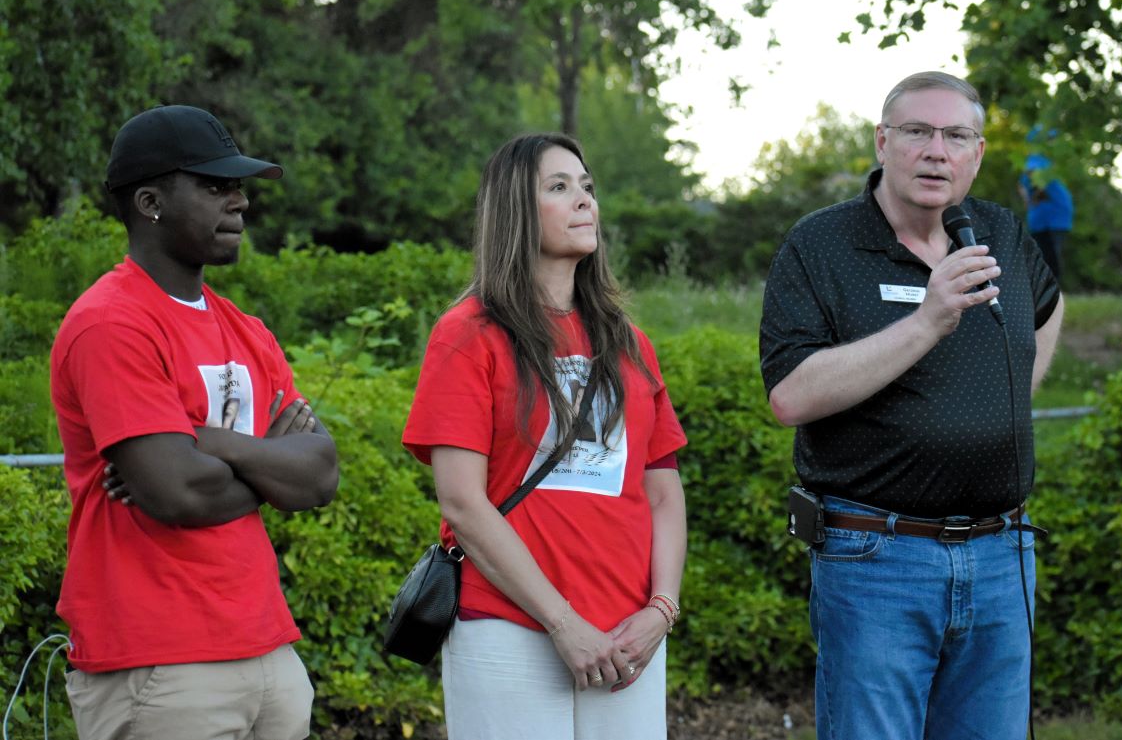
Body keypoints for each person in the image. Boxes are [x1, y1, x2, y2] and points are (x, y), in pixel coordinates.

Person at [759, 72, 1064, 740]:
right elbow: (789, 394)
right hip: (876, 558)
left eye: (956, 136)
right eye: (918, 132)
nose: (937, 151)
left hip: (1000, 552)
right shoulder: (821, 247)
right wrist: (929, 319)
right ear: (883, 141)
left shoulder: (1000, 234)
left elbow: (1049, 303)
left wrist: (1016, 391)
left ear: (977, 153)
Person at [50, 105, 340, 740]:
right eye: (214, 186)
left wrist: (207, 442)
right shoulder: (111, 324)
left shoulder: (246, 330)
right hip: (159, 664)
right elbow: (178, 492)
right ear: (150, 201)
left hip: (268, 650)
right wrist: (266, 460)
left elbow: (319, 477)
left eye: (237, 186)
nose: (238, 202)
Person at [401, 133, 687, 740]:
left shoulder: (630, 345)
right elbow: (462, 501)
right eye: (559, 188)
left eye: (587, 186)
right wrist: (562, 623)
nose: (584, 200)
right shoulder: (468, 334)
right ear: (515, 211)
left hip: (627, 634)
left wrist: (661, 609)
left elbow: (661, 491)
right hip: (509, 625)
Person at [1018, 152, 1074, 283]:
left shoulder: (1045, 167)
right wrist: (1029, 199)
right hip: (1042, 219)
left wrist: (1031, 198)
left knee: (1050, 256)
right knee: (1042, 255)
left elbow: (1032, 183)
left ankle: (1052, 290)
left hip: (1054, 219)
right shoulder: (1036, 161)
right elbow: (1024, 180)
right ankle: (1045, 288)